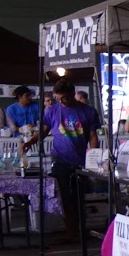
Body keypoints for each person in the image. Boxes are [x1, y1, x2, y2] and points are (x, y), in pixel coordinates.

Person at [24, 79, 99, 242]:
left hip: (81, 160)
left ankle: (80, 229)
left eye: (63, 98)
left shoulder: (89, 112)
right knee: (64, 196)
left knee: (79, 196)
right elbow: (44, 131)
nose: (60, 101)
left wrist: (93, 155)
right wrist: (30, 142)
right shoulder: (51, 111)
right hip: (59, 159)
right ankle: (70, 231)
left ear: (73, 94)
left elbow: (93, 137)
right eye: (58, 98)